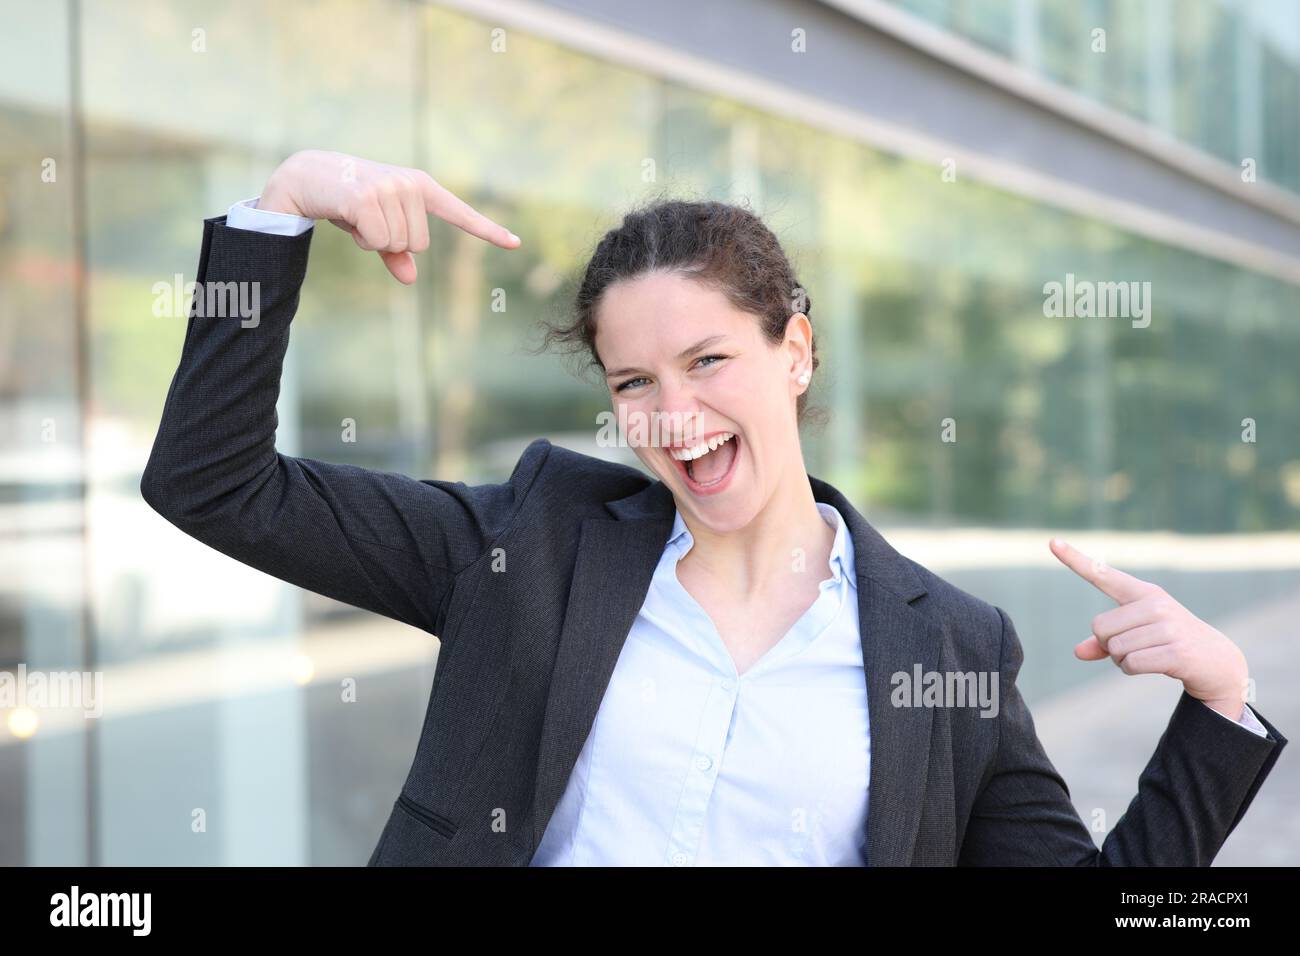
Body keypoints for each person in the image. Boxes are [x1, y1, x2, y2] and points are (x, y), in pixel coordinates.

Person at [141, 149, 1287, 866]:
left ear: (796, 349)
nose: (673, 414)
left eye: (707, 360)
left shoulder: (947, 644)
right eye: (634, 381)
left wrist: (1219, 705)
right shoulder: (525, 543)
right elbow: (215, 483)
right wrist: (282, 208)